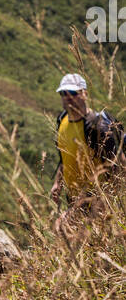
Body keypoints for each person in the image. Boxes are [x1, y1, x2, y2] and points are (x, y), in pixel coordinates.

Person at [50, 72, 124, 217]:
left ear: (85, 94)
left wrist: (100, 207)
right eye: (63, 93)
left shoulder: (97, 127)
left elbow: (119, 169)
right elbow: (64, 158)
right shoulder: (62, 120)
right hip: (73, 199)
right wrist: (57, 183)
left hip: (97, 202)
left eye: (73, 92)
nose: (68, 97)